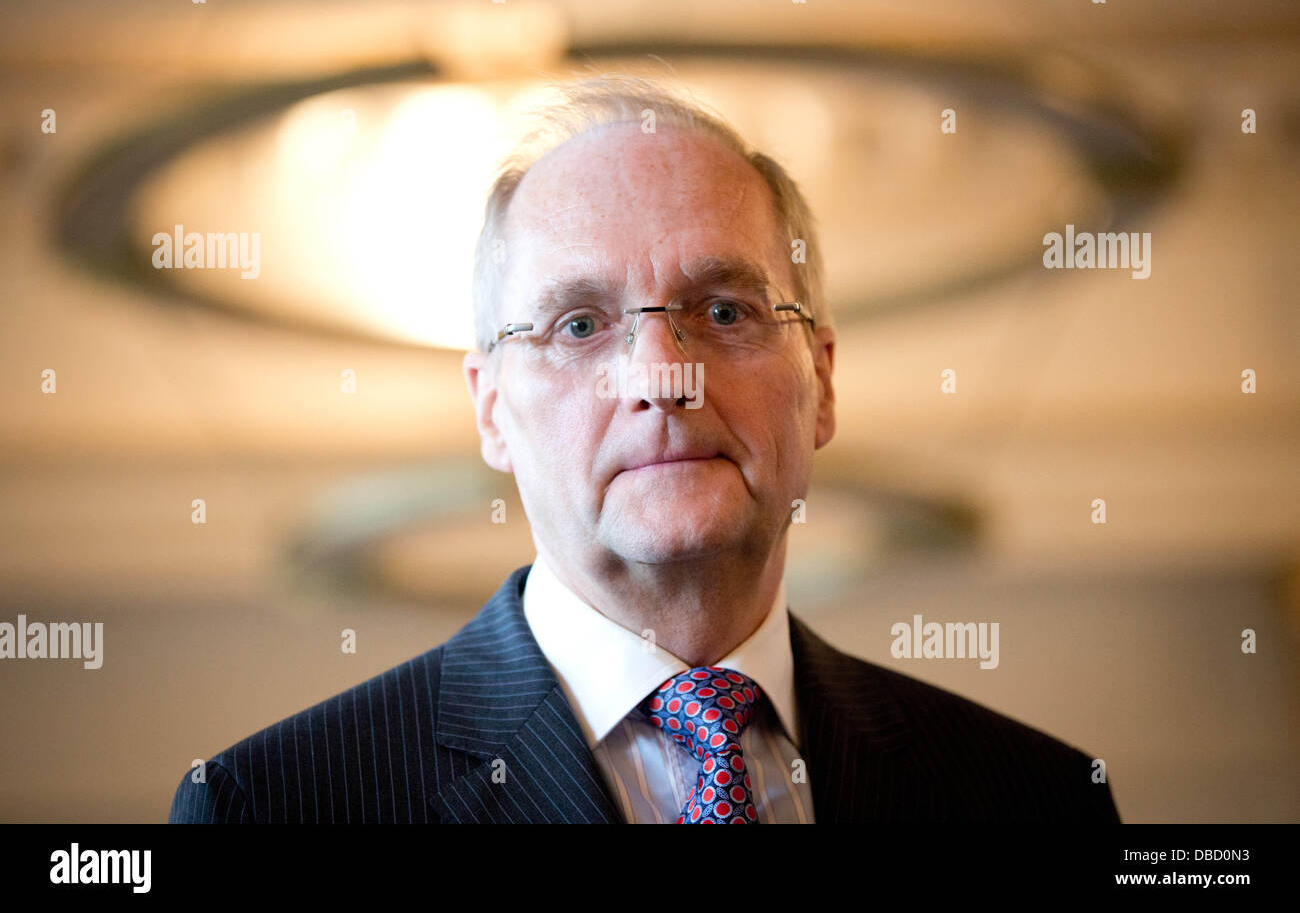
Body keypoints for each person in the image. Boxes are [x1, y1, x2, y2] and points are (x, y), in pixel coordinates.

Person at [170, 75, 1120, 823]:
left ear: (822, 381)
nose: (663, 377)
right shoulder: (274, 805)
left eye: (722, 311)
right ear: (490, 409)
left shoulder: (1036, 800)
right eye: (580, 326)